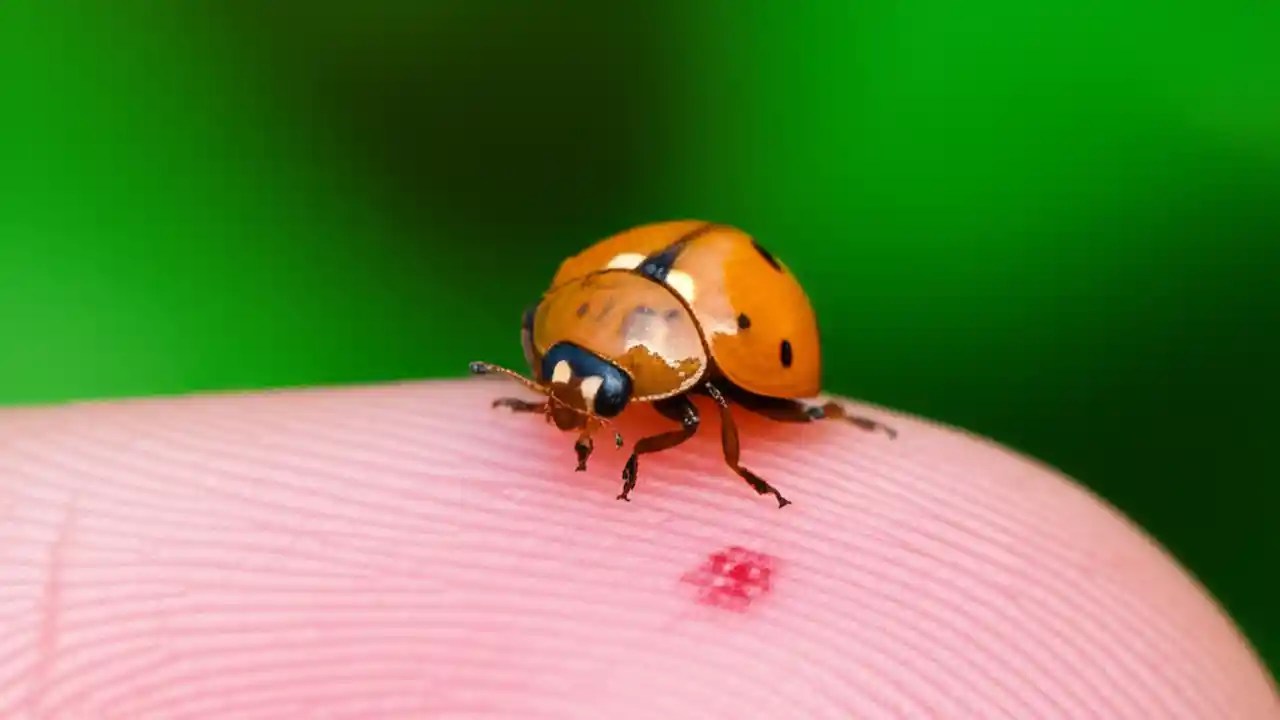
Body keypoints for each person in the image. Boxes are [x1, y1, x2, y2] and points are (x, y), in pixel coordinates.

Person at [1, 379, 1275, 718]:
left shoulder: (684, 393)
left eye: (586, 410)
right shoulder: (596, 369)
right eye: (563, 401)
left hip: (689, 326)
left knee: (741, 420)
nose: (573, 423)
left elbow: (703, 396)